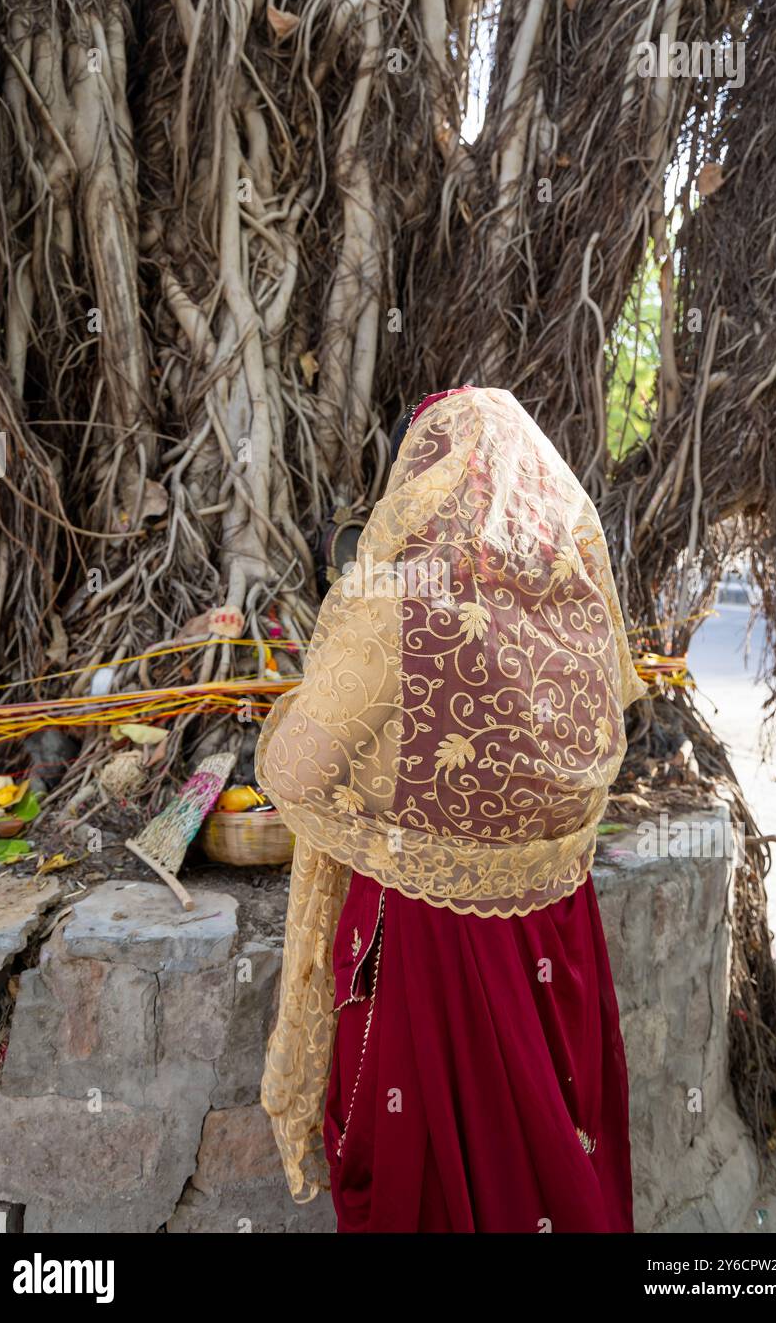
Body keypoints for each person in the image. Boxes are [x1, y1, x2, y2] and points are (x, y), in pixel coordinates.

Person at [257, 384, 646, 1232]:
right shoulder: (575, 609)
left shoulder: (398, 602)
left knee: (435, 1189)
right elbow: (601, 737)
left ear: (422, 478)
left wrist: (329, 722)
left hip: (430, 943)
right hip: (557, 938)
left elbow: (295, 772)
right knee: (546, 1171)